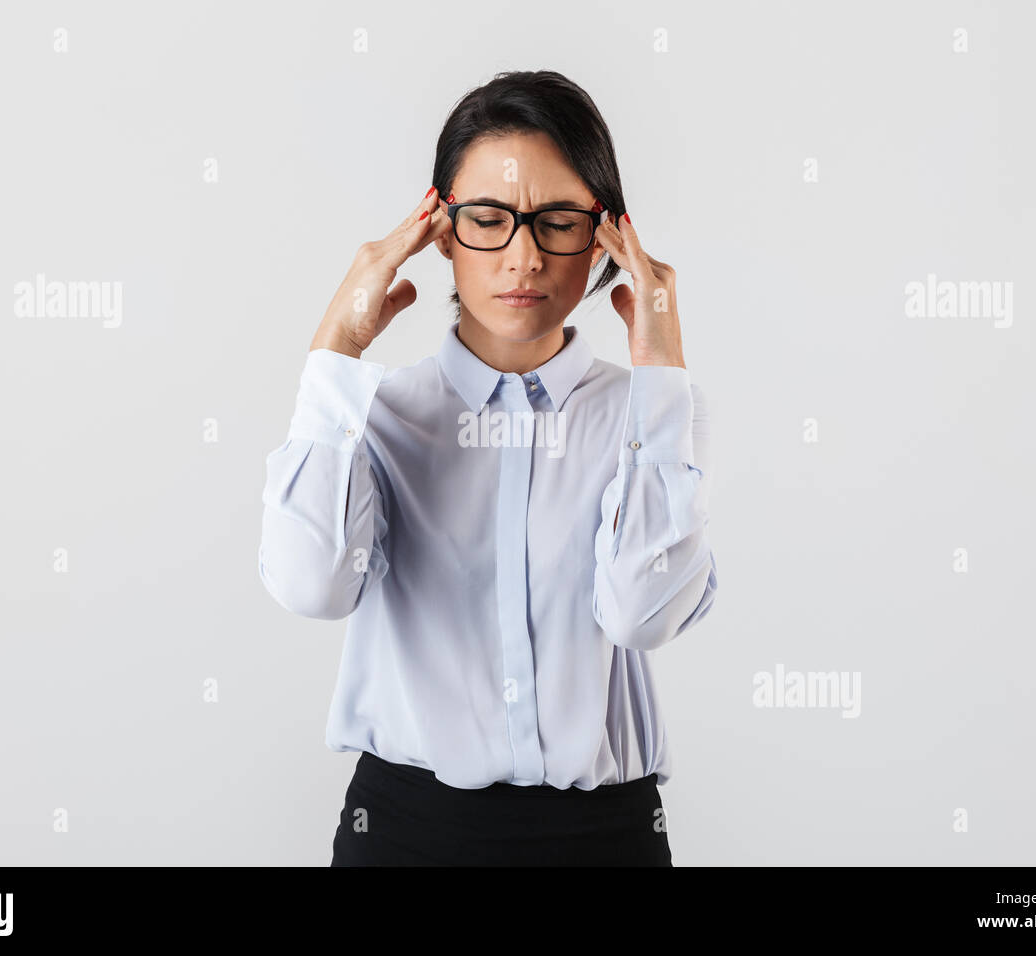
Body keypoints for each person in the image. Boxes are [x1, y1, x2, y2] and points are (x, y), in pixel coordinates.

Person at [258, 70, 717, 866]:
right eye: (489, 220)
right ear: (441, 231)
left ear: (606, 236)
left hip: (604, 840)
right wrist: (335, 354)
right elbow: (311, 586)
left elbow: (643, 614)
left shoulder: (648, 417)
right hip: (405, 834)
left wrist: (660, 369)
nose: (524, 257)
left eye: (558, 222)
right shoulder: (376, 414)